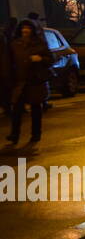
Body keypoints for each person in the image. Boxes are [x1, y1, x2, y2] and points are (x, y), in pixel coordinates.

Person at [4, 20, 53, 148]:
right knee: (17, 110)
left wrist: (41, 59)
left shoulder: (39, 44)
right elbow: (8, 62)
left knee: (36, 109)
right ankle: (14, 135)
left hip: (34, 81)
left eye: (28, 28)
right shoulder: (15, 44)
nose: (25, 30)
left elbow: (50, 59)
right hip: (20, 82)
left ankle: (35, 134)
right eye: (23, 28)